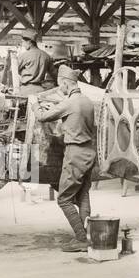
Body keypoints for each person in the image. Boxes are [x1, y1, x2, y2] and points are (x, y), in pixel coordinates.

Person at [36, 65, 98, 251]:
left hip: (75, 153)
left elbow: (42, 117)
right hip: (89, 151)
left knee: (64, 199)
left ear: (65, 83)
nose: (59, 88)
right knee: (83, 194)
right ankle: (87, 234)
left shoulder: (70, 102)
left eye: (60, 85)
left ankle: (81, 239)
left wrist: (35, 105)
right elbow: (72, 115)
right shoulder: (87, 101)